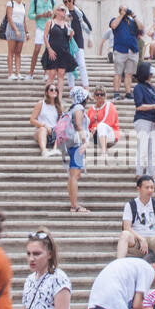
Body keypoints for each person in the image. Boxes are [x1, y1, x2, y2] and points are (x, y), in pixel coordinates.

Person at [132, 63, 155, 181]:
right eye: (150, 73)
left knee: (153, 148)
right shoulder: (138, 88)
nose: (151, 75)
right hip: (143, 119)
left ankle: (152, 174)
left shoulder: (151, 87)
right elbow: (139, 106)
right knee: (143, 146)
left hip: (153, 120)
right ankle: (139, 173)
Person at [61, 86, 92, 214]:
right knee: (75, 175)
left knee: (74, 175)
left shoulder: (72, 108)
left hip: (72, 144)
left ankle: (73, 203)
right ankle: (75, 205)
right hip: (77, 144)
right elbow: (79, 125)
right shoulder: (79, 108)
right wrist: (85, 141)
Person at [108, 5, 141, 99]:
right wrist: (121, 15)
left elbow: (141, 27)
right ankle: (116, 93)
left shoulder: (132, 21)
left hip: (132, 50)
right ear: (120, 11)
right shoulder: (115, 19)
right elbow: (113, 25)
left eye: (126, 9)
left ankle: (128, 93)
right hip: (120, 50)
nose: (126, 11)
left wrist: (134, 16)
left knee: (128, 74)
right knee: (118, 73)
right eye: (124, 9)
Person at [62, 0, 93, 87]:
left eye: (69, 0)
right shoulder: (63, 13)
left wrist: (90, 38)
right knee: (70, 66)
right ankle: (71, 87)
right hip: (68, 41)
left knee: (82, 64)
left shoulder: (79, 12)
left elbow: (88, 26)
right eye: (65, 1)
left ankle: (86, 86)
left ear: (73, 0)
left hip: (78, 40)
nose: (68, 3)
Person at [85, 86, 121, 160]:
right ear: (94, 96)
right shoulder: (91, 109)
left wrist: (95, 128)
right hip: (95, 135)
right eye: (97, 94)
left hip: (110, 134)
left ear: (105, 96)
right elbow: (87, 124)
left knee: (101, 126)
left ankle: (104, 152)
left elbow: (109, 121)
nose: (99, 96)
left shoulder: (109, 105)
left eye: (102, 94)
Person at [2, 0, 30, 80]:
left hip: (21, 27)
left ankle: (18, 72)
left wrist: (26, 32)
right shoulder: (10, 3)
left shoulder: (23, 4)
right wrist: (16, 30)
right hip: (12, 27)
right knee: (11, 51)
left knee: (18, 52)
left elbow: (24, 20)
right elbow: (9, 18)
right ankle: (10, 73)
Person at [30, 82, 63, 158]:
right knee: (42, 129)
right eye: (51, 90)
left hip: (54, 132)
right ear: (47, 92)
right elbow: (32, 120)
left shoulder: (59, 106)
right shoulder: (41, 104)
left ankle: (55, 149)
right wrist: (44, 125)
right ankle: (44, 151)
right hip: (42, 131)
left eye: (56, 90)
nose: (54, 91)